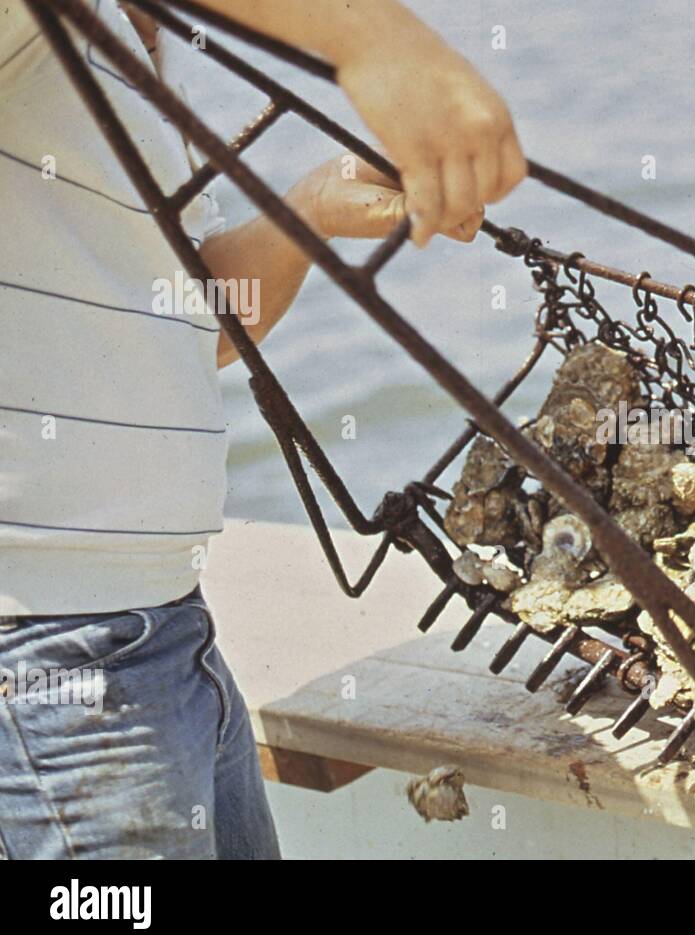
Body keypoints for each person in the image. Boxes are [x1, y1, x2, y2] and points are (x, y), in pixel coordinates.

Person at [0, 0, 525, 858]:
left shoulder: (119, 39)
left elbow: (189, 317)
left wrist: (309, 207)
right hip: (56, 671)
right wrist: (373, 40)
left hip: (165, 633)